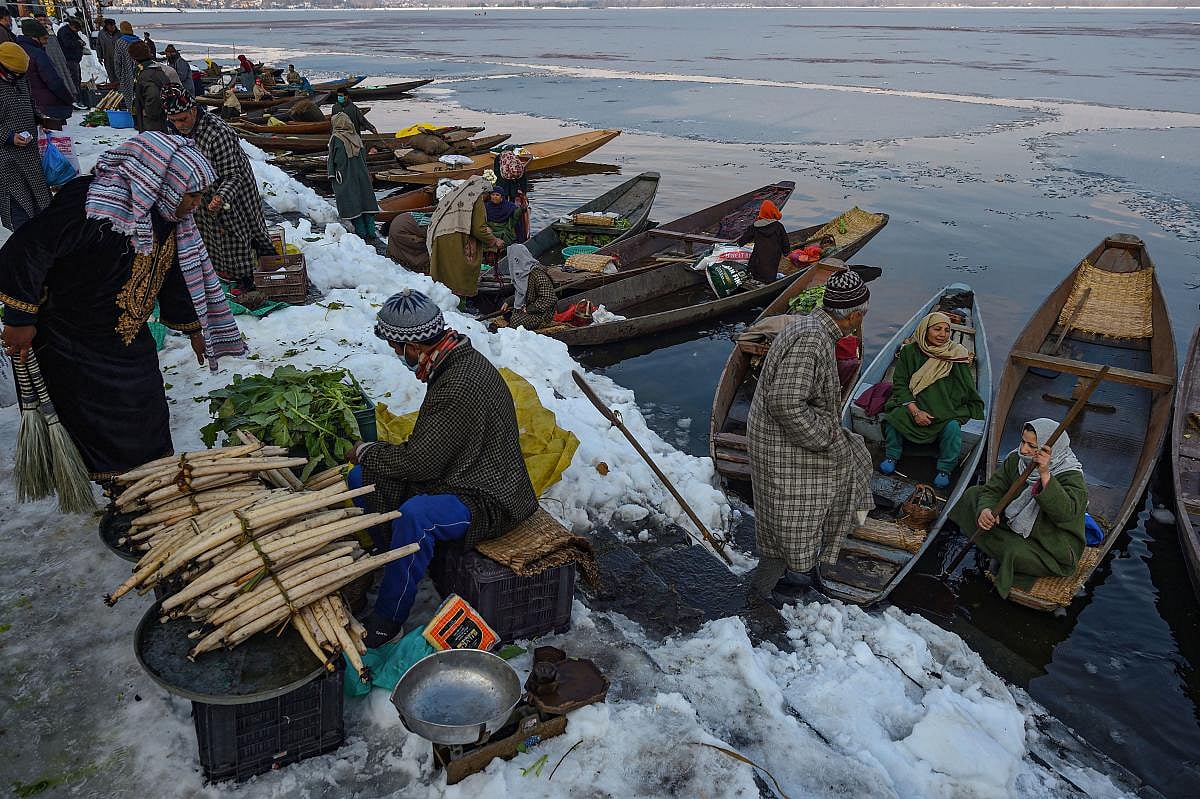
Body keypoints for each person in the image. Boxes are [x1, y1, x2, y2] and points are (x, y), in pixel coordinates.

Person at [0, 132, 245, 483]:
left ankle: (147, 478)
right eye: (192, 195)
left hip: (127, 337)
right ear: (165, 185)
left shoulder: (165, 217)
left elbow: (172, 271)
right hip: (73, 341)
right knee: (101, 425)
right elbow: (25, 252)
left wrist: (194, 327)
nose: (196, 204)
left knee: (146, 408)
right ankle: (119, 486)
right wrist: (20, 319)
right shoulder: (92, 207)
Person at [344, 289, 538, 645]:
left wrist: (369, 450)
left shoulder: (457, 381)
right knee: (361, 479)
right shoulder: (451, 359)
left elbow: (419, 462)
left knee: (418, 515)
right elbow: (434, 449)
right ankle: (395, 563)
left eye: (394, 346)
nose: (394, 353)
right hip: (463, 469)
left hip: (490, 492)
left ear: (413, 348)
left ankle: (388, 618)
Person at [747, 269, 874, 601]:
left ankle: (802, 565)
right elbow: (785, 402)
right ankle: (793, 577)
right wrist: (824, 438)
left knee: (853, 457)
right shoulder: (812, 338)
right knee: (803, 501)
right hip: (781, 438)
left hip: (786, 431)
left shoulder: (814, 327)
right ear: (856, 315)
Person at [948, 418, 1088, 599]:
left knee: (1012, 552)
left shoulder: (1071, 475)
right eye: (1023, 441)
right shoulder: (1017, 459)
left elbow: (1065, 514)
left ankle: (1003, 554)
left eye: (1032, 445)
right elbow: (994, 489)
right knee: (973, 494)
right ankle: (996, 544)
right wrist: (986, 510)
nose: (1024, 449)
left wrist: (1045, 474)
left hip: (1047, 543)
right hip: (1012, 522)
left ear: (1049, 450)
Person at [163, 88, 275, 288]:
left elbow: (233, 175)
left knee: (238, 233)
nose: (178, 126)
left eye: (182, 119)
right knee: (209, 234)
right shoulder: (175, 128)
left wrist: (220, 197)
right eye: (173, 121)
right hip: (201, 191)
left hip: (232, 190)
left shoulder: (218, 132)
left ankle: (249, 278)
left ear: (194, 111)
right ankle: (221, 272)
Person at [878, 311, 983, 490]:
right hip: (914, 402)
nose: (942, 334)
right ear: (925, 331)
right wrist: (916, 410)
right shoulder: (910, 352)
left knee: (952, 428)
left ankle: (945, 469)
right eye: (937, 329)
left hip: (945, 406)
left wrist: (942, 407)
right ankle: (892, 455)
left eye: (946, 330)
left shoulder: (956, 354)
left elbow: (964, 387)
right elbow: (901, 384)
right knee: (895, 418)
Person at [427, 176, 506, 303]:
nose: (488, 198)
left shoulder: (457, 193)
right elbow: (478, 228)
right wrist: (494, 240)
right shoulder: (476, 198)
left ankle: (445, 299)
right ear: (484, 191)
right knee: (461, 271)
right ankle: (460, 303)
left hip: (440, 235)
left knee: (446, 271)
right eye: (487, 195)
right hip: (455, 237)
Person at [0, 42, 51, 231]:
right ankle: (23, 247)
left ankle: (42, 243)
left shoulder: (20, 79)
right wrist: (8, 137)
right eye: (15, 74)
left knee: (40, 204)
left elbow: (28, 103)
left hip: (29, 153)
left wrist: (40, 119)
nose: (20, 77)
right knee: (19, 206)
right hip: (7, 160)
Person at [327, 112, 380, 242]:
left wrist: (333, 174)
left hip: (346, 176)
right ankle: (371, 232)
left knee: (353, 203)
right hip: (362, 174)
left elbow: (333, 159)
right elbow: (363, 157)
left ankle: (361, 233)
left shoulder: (336, 138)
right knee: (365, 202)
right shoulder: (356, 136)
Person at [15, 19, 73, 120]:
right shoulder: (38, 54)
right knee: (53, 132)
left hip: (26, 103)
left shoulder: (17, 49)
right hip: (45, 103)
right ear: (34, 37)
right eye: (44, 39)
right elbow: (53, 80)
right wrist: (67, 98)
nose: (46, 42)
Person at [503, 243, 556, 330]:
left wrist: (529, 309)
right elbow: (523, 293)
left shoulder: (538, 275)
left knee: (515, 321)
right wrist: (508, 301)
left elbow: (549, 299)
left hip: (542, 314)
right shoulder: (522, 274)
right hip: (528, 307)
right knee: (506, 314)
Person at [737, 200, 791, 283]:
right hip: (774, 255)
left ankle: (756, 278)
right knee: (771, 268)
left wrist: (738, 244)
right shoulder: (778, 226)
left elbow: (745, 238)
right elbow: (785, 241)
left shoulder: (755, 226)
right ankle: (769, 281)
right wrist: (786, 252)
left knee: (756, 264)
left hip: (759, 254)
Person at [129, 40, 177, 132]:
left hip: (152, 123)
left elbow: (154, 95)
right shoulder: (157, 70)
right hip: (162, 119)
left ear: (134, 58)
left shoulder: (145, 75)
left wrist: (148, 112)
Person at [33, 13, 77, 105]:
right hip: (47, 60)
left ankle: (69, 96)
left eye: (43, 20)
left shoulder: (50, 31)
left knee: (64, 76)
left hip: (58, 59)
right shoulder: (34, 34)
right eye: (39, 20)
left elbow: (56, 46)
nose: (42, 22)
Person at [491, 146, 533, 241]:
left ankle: (511, 203)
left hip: (512, 181)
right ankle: (504, 204)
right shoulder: (500, 161)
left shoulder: (519, 166)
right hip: (502, 179)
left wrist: (524, 193)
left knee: (513, 193)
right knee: (504, 191)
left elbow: (523, 181)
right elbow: (497, 174)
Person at [56, 17, 86, 99]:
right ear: (74, 26)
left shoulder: (71, 32)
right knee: (74, 79)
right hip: (69, 59)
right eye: (78, 29)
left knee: (77, 78)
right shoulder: (64, 32)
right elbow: (68, 44)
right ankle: (75, 98)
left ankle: (78, 96)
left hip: (74, 59)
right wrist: (78, 43)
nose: (78, 31)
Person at [113, 21, 139, 109]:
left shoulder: (120, 42)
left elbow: (117, 61)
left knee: (129, 98)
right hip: (140, 74)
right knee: (139, 97)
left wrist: (119, 75)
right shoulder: (139, 41)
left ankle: (133, 116)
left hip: (126, 74)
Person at [95, 18, 118, 83]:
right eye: (110, 25)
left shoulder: (119, 34)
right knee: (111, 75)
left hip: (118, 59)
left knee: (119, 75)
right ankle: (113, 87)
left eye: (113, 25)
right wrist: (99, 57)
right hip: (107, 58)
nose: (112, 27)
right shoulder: (102, 34)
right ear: (106, 26)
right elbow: (98, 45)